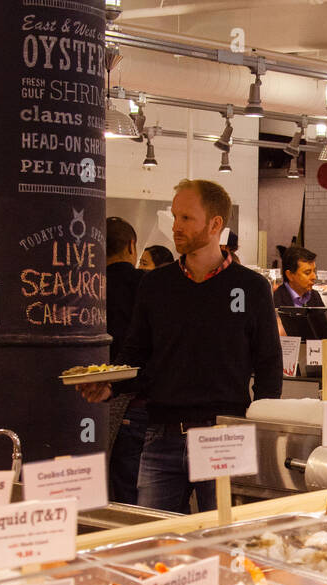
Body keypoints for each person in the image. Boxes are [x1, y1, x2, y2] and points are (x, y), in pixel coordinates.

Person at [79, 179, 283, 514]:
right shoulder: (155, 284)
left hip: (224, 434)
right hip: (161, 435)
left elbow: (269, 366)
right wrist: (110, 387)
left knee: (221, 538)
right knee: (156, 541)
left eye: (186, 218)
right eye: (174, 217)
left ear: (215, 224)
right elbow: (137, 356)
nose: (175, 227)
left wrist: (259, 429)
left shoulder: (252, 287)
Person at [104, 217, 146, 505]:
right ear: (132, 246)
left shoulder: (86, 288)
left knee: (116, 491)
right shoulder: (148, 285)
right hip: (141, 401)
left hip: (100, 397)